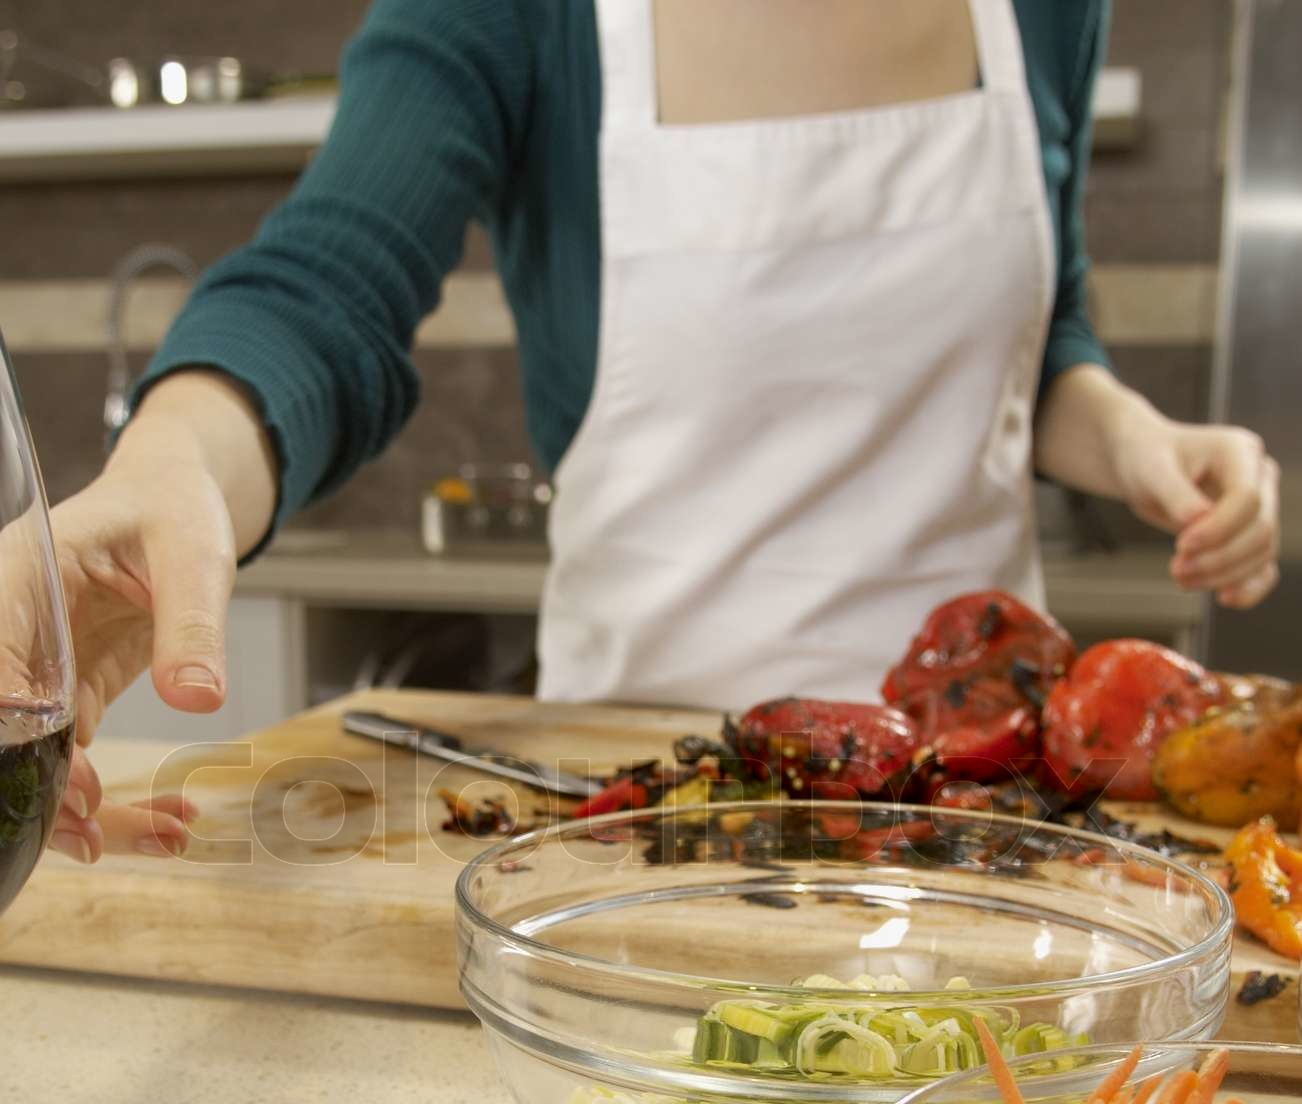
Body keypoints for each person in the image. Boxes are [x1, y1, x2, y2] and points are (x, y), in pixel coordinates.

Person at [48, 0, 1280, 863]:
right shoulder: (518, 15)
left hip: (988, 810)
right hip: (648, 803)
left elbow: (1041, 329)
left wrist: (1132, 443)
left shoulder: (1047, 9)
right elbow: (327, 292)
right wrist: (173, 466)